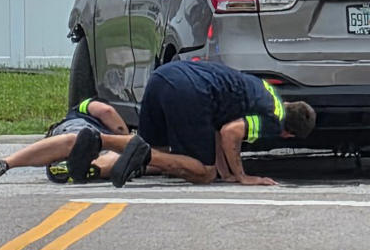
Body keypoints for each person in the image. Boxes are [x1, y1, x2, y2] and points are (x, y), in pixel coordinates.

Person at [65, 60, 316, 188]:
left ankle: (97, 150)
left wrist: (226, 172)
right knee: (203, 172)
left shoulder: (266, 91)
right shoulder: (274, 119)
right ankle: (132, 151)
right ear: (287, 134)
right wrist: (243, 176)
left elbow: (220, 130)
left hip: (164, 76)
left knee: (159, 152)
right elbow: (231, 133)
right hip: (191, 91)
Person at [0, 97, 129, 184]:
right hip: (82, 130)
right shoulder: (85, 108)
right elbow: (105, 111)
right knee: (77, 139)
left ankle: (83, 168)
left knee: (123, 154)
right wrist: (125, 137)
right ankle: (89, 168)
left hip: (94, 146)